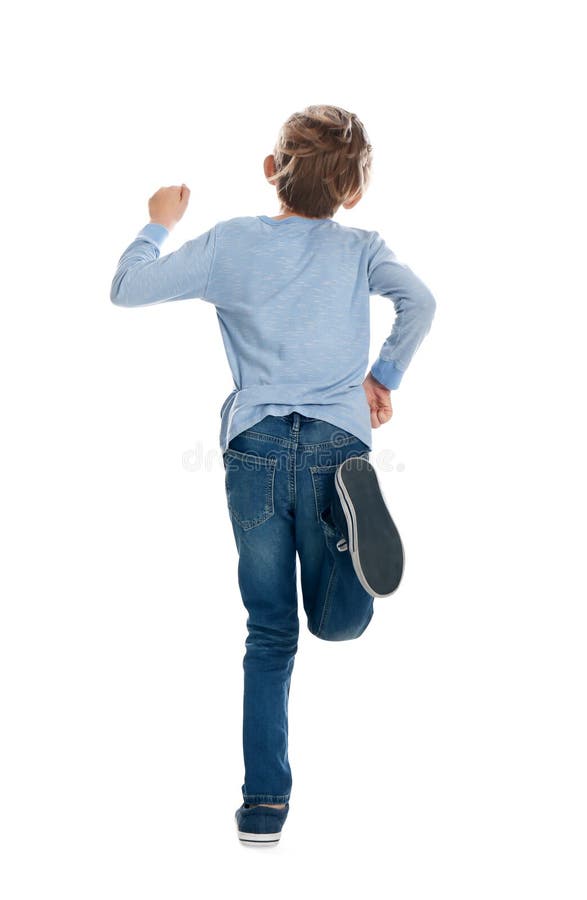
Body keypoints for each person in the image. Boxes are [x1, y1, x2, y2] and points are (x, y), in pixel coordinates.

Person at [110, 104, 437, 846]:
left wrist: (158, 222)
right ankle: (348, 553)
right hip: (336, 444)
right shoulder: (361, 246)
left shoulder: (229, 243)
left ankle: (263, 808)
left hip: (254, 448)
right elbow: (420, 300)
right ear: (352, 192)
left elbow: (128, 288)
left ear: (270, 170)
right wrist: (381, 375)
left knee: (269, 633)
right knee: (338, 624)